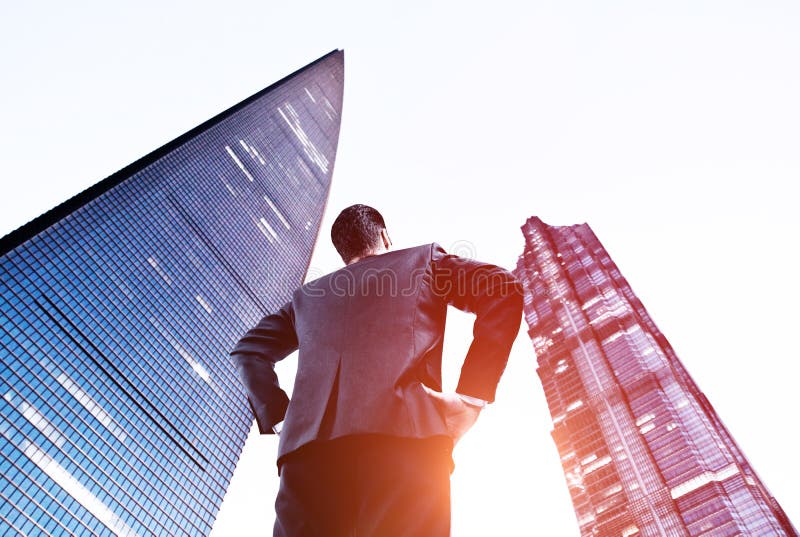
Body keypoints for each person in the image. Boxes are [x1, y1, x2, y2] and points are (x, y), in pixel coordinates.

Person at [230, 204, 523, 536]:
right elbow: (501, 287)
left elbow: (248, 350)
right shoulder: (423, 261)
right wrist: (472, 395)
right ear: (384, 235)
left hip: (306, 460)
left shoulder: (305, 299)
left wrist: (283, 417)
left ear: (344, 253)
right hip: (405, 442)